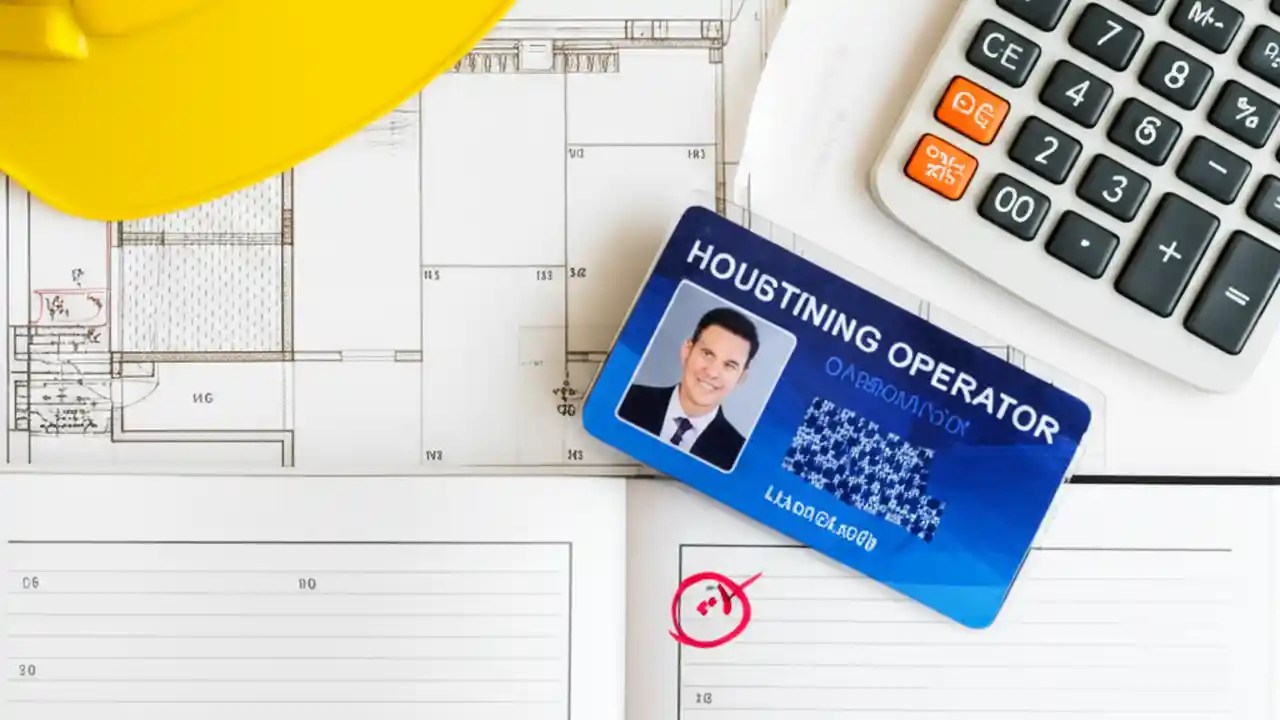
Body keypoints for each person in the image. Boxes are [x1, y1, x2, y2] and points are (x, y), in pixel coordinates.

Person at [618, 306, 759, 470]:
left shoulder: (737, 455)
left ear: (741, 377)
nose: (712, 373)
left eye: (729, 365)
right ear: (687, 351)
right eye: (707, 354)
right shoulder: (627, 398)